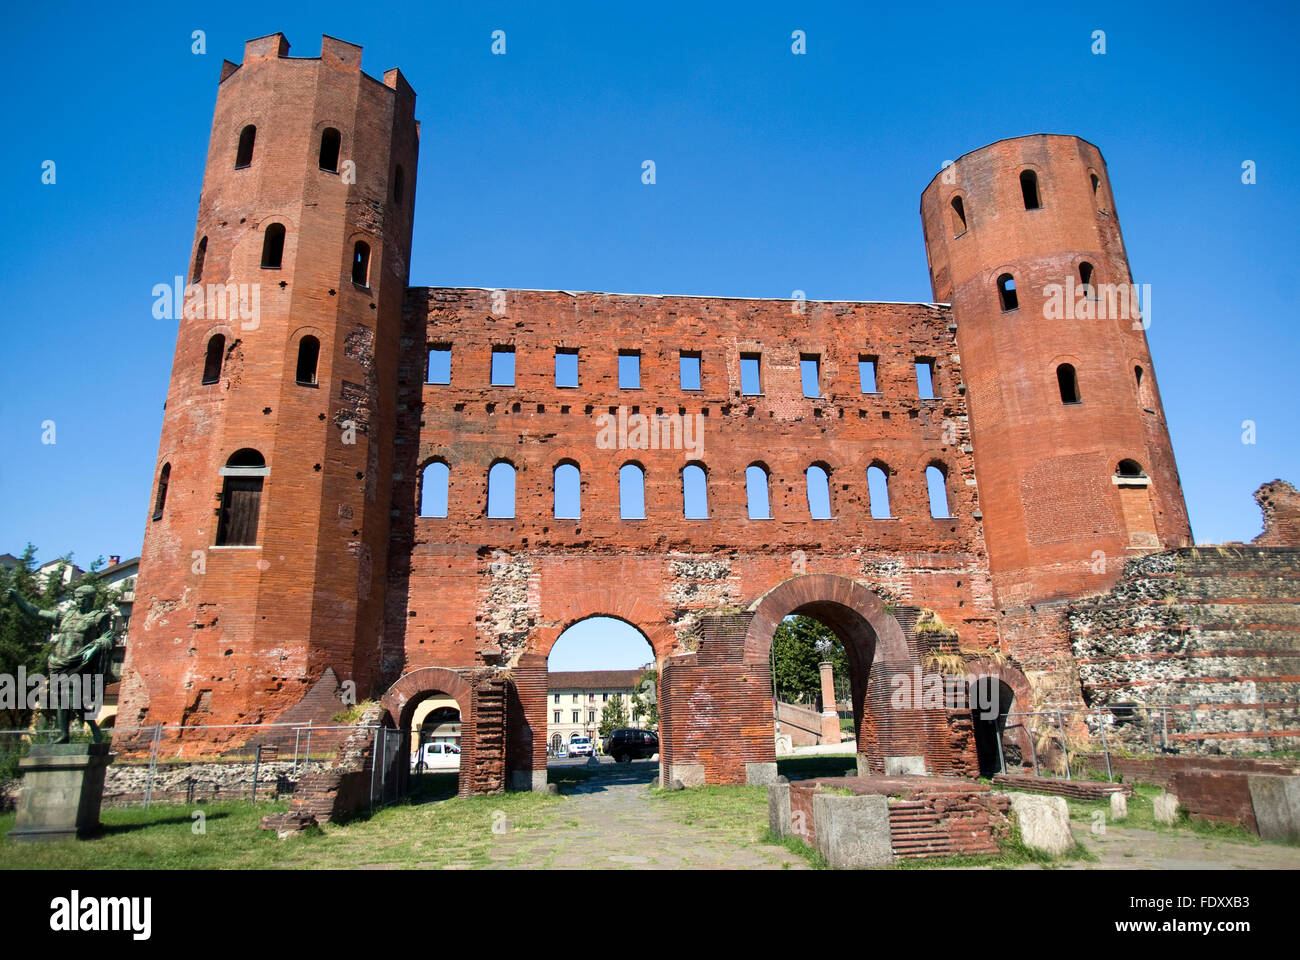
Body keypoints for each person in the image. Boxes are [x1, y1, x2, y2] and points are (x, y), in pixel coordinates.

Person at [7, 584, 116, 743]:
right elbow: (36, 612)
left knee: (74, 699)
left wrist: (94, 647)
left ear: (91, 599)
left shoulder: (98, 617)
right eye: (77, 597)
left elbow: (109, 637)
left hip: (80, 662)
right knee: (61, 698)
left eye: (83, 598)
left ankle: (91, 727)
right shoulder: (66, 615)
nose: (79, 601)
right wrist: (18, 599)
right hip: (59, 662)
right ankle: (64, 734)